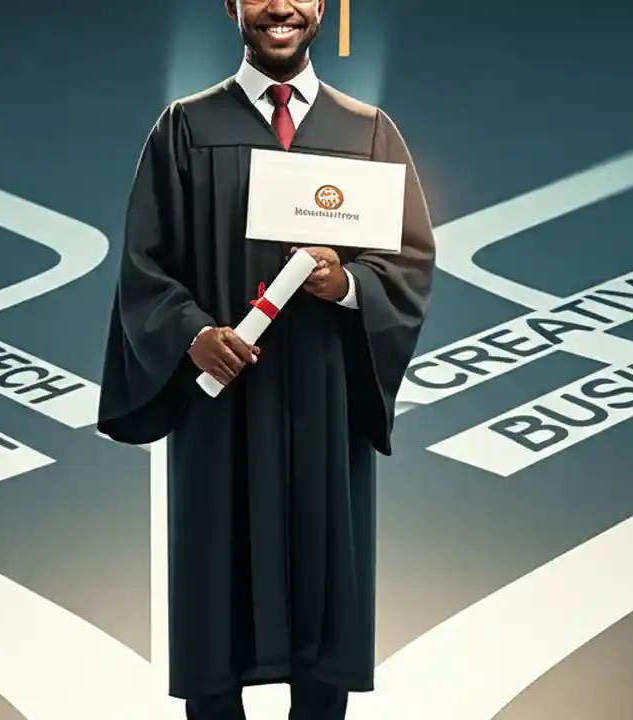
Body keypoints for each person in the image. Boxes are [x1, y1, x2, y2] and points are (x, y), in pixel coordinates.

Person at [96, 0, 435, 717]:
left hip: (326, 410)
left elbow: (407, 265)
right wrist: (191, 334)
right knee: (215, 614)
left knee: (324, 620)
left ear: (322, 6)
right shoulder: (184, 129)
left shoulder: (368, 132)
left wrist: (344, 285)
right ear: (231, 4)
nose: (278, 5)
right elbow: (142, 266)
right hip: (220, 413)